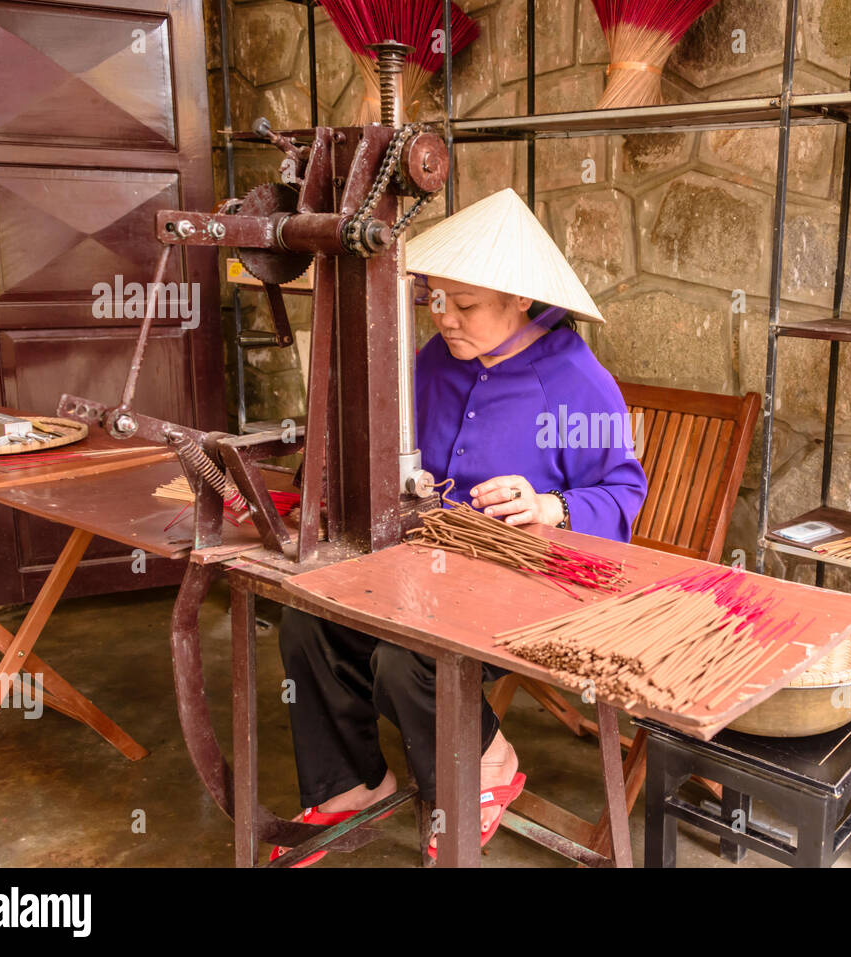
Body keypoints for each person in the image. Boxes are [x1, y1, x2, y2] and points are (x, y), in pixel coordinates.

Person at [272, 187, 648, 865]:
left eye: (465, 306)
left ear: (520, 301)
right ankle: (350, 782)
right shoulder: (437, 360)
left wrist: (549, 506)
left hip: (522, 577)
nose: (444, 318)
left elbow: (623, 490)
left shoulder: (575, 382)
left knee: (405, 657)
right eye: (435, 300)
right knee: (309, 615)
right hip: (424, 562)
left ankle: (488, 761)